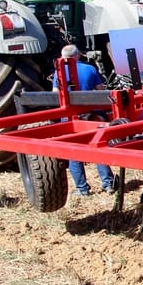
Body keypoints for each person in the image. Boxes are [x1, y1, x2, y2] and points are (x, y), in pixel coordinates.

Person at [53, 45, 117, 196]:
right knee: (97, 147)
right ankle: (108, 184)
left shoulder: (58, 72)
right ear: (77, 55)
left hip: (70, 116)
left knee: (74, 152)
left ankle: (82, 189)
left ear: (63, 57)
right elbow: (101, 91)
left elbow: (55, 95)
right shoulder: (89, 69)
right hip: (92, 115)